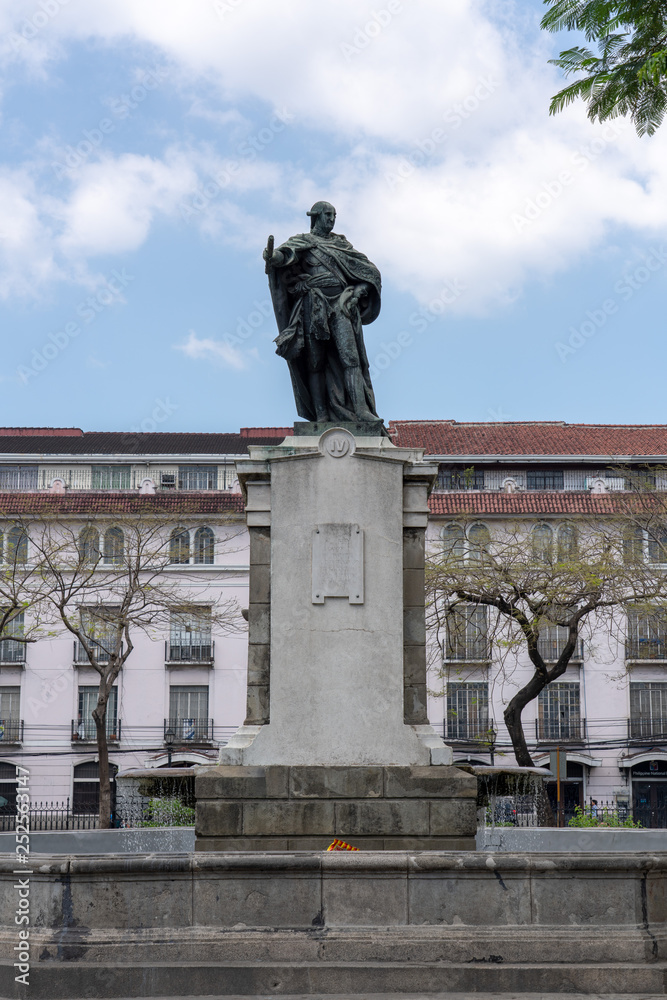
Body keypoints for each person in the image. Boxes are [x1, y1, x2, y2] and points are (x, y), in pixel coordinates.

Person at [263, 201, 382, 423]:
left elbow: (370, 272)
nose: (331, 219)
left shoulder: (341, 244)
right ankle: (321, 416)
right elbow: (285, 255)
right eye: (327, 215)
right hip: (313, 306)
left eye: (334, 215)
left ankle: (361, 411)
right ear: (315, 217)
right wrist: (272, 257)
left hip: (340, 306)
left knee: (351, 358)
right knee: (315, 362)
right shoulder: (304, 242)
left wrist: (358, 292)